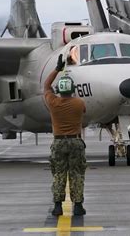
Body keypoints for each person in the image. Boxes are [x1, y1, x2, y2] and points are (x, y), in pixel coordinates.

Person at [44, 51, 87, 216]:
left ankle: (57, 206)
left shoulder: (53, 102)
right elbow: (84, 110)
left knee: (59, 174)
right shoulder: (79, 103)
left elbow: (46, 86)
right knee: (77, 173)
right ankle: (78, 206)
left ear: (59, 90)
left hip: (59, 142)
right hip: (76, 142)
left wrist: (57, 69)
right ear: (72, 89)